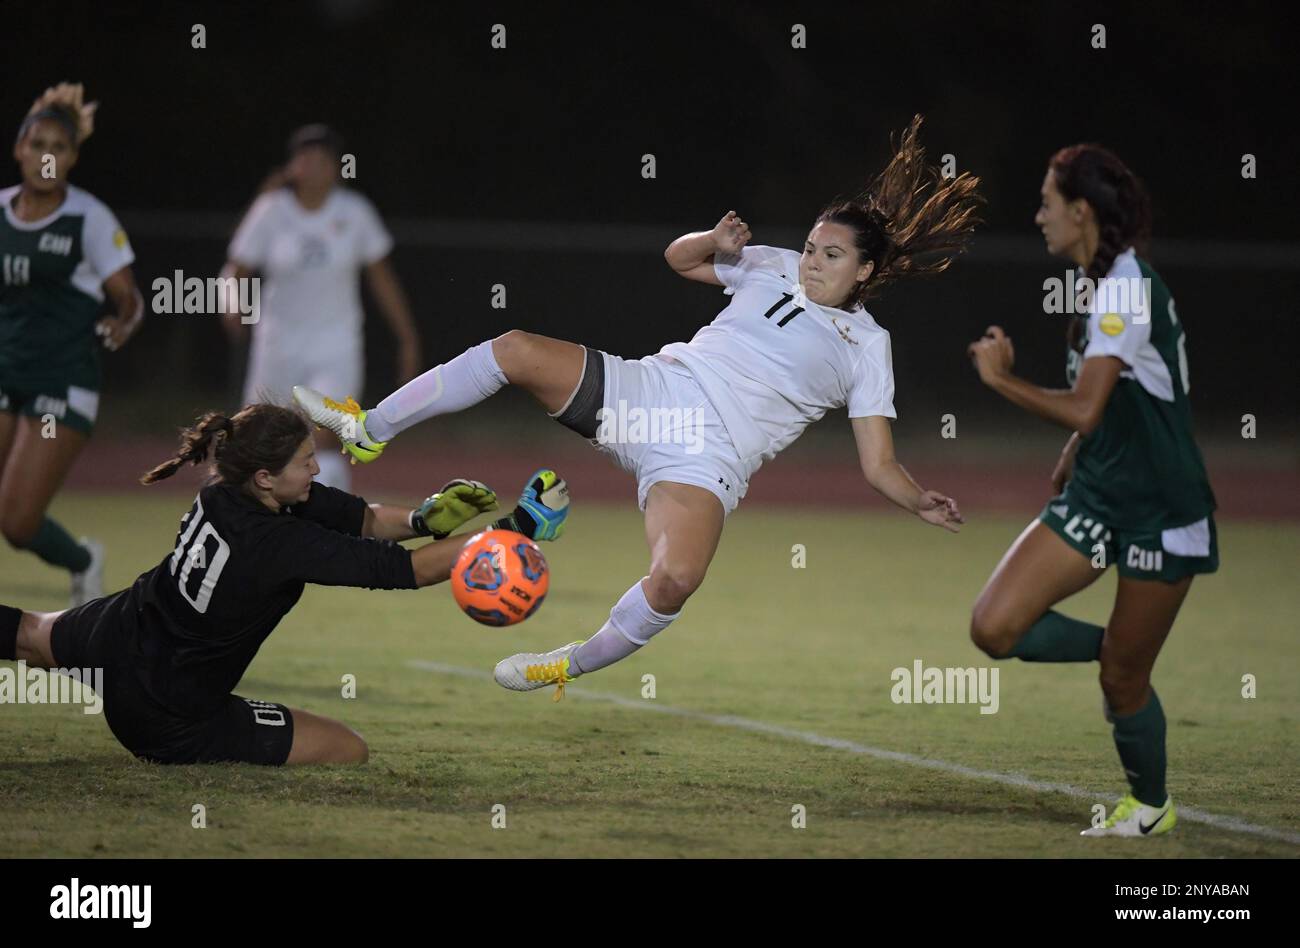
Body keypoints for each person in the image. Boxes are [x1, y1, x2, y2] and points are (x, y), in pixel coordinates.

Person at [295, 116, 977, 700]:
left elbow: (879, 463)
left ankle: (566, 663)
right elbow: (678, 261)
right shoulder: (769, 265)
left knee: (677, 578)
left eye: (830, 255)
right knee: (515, 349)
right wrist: (715, 244)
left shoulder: (867, 346)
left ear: (864, 271)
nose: (811, 262)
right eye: (810, 248)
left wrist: (917, 500)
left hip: (706, 457)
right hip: (652, 394)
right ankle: (367, 430)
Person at [0, 403, 569, 765]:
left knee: (25, 633)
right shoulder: (277, 544)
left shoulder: (229, 491)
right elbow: (409, 570)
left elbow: (362, 517)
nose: (316, 469)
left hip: (117, 631)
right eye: (305, 461)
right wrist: (512, 530)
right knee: (348, 749)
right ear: (268, 476)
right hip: (167, 715)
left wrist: (423, 520)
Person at [966, 144, 1217, 837]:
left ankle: (1151, 808)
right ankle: (1122, 645)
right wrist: (1076, 450)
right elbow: (1105, 409)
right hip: (1102, 493)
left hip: (1163, 510)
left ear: (1081, 212)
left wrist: (999, 381)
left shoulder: (1125, 287)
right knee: (995, 626)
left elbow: (1084, 404)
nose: (1038, 214)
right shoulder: (1104, 283)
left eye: (1048, 202)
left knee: (1122, 684)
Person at [0, 83, 145, 604]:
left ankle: (83, 559)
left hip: (62, 380)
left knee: (16, 522)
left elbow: (129, 298)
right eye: (37, 144)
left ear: (73, 158)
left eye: (58, 148)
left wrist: (121, 323)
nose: (46, 157)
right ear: (19, 150)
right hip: (4, 371)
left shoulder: (89, 218)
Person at [221, 124, 422, 492]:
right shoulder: (270, 210)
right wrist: (233, 305)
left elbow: (382, 278)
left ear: (336, 167)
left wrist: (406, 337)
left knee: (327, 432)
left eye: (324, 159)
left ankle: (328, 530)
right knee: (260, 437)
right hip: (277, 343)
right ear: (292, 166)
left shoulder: (355, 212)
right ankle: (261, 529)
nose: (314, 166)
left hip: (335, 343)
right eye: (306, 158)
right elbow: (237, 269)